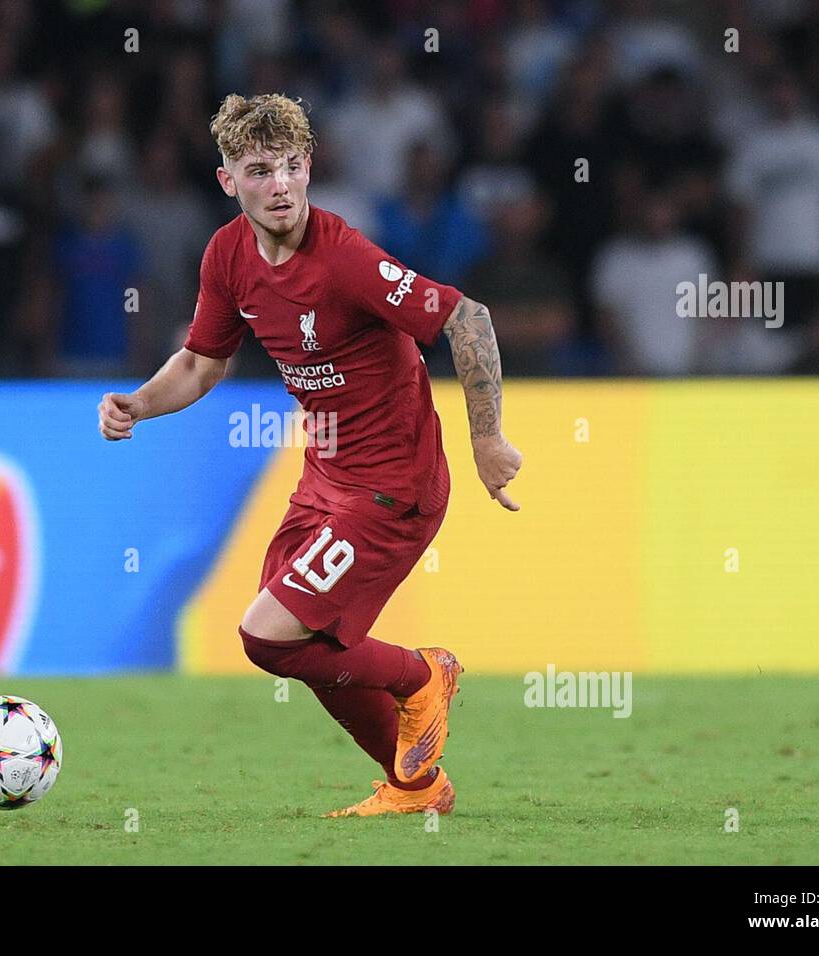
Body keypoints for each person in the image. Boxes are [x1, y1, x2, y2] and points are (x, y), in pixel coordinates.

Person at [98, 94, 523, 817]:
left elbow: (465, 316)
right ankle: (416, 787)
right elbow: (202, 364)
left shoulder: (344, 257)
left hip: (393, 488)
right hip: (324, 479)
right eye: (260, 170)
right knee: (312, 650)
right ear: (228, 180)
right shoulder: (228, 256)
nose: (282, 184)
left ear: (310, 168)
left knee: (268, 636)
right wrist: (138, 403)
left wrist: (486, 438)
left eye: (293, 166)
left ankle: (424, 675)